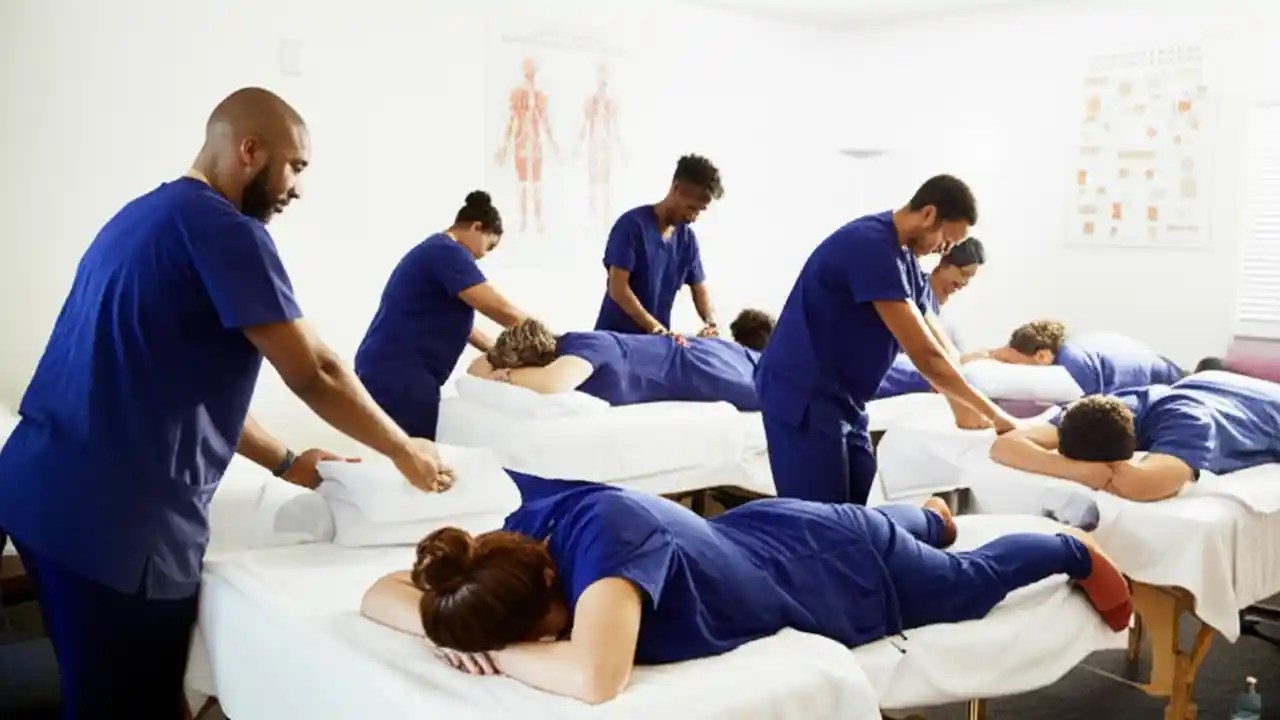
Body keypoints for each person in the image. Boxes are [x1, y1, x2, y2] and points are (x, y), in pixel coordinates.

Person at [0, 88, 450, 718]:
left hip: (37, 497)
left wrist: (285, 461)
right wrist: (404, 451)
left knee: (97, 691)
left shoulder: (140, 218)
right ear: (249, 150)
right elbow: (315, 370)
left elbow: (178, 382)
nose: (297, 188)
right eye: (295, 167)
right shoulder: (226, 231)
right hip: (115, 529)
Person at [360, 477, 1132, 705]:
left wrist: (496, 653)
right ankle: (927, 517)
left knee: (965, 586)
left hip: (839, 565)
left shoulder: (607, 543)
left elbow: (596, 677)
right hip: (777, 529)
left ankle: (1064, 545)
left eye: (544, 629)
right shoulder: (513, 546)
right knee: (893, 527)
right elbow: (377, 594)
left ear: (553, 579)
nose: (547, 642)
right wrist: (452, 630)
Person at [756, 175, 1020, 505]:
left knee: (857, 503)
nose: (944, 251)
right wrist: (998, 417)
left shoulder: (907, 260)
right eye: (946, 241)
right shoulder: (869, 247)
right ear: (928, 214)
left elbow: (936, 340)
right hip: (803, 393)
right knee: (822, 518)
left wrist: (961, 405)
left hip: (846, 400)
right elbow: (926, 356)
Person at [355, 191, 532, 440]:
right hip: (401, 373)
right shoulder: (448, 252)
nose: (484, 255)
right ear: (477, 227)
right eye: (489, 246)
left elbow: (461, 326)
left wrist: (496, 352)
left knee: (400, 451)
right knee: (415, 453)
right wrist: (547, 338)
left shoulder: (435, 250)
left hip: (389, 367)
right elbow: (499, 308)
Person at [990, 370, 1280, 502]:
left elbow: (1141, 483)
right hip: (1207, 382)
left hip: (1262, 403)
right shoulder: (1104, 408)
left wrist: (1097, 474)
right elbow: (1005, 444)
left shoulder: (1189, 422)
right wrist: (1075, 470)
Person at [467, 316, 762, 411]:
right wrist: (498, 367)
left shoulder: (582, 350)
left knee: (771, 391)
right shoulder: (561, 346)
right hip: (697, 355)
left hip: (697, 364)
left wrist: (503, 376)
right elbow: (475, 367)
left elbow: (552, 383)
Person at [593, 154, 723, 339]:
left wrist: (710, 322)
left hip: (654, 345)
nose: (693, 217)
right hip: (615, 341)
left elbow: (699, 288)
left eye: (699, 211)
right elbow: (618, 289)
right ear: (675, 188)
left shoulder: (687, 241)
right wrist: (655, 328)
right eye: (691, 208)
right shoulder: (632, 226)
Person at [876, 237, 987, 398]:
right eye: (964, 274)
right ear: (944, 264)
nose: (964, 283)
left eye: (969, 279)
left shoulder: (941, 316)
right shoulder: (914, 289)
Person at [964, 320, 1185, 395]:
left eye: (1011, 363)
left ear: (1042, 356)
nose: (1009, 366)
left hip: (1176, 385)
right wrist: (990, 354)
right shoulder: (1074, 347)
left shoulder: (1075, 368)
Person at [495, 56, 558, 234]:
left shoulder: (539, 97)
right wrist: (505, 146)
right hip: (522, 143)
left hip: (534, 144)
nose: (530, 77)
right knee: (524, 185)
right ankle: (524, 220)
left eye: (532, 74)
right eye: (528, 74)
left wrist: (554, 146)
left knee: (536, 185)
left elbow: (545, 123)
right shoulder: (518, 96)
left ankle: (538, 219)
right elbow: (512, 121)